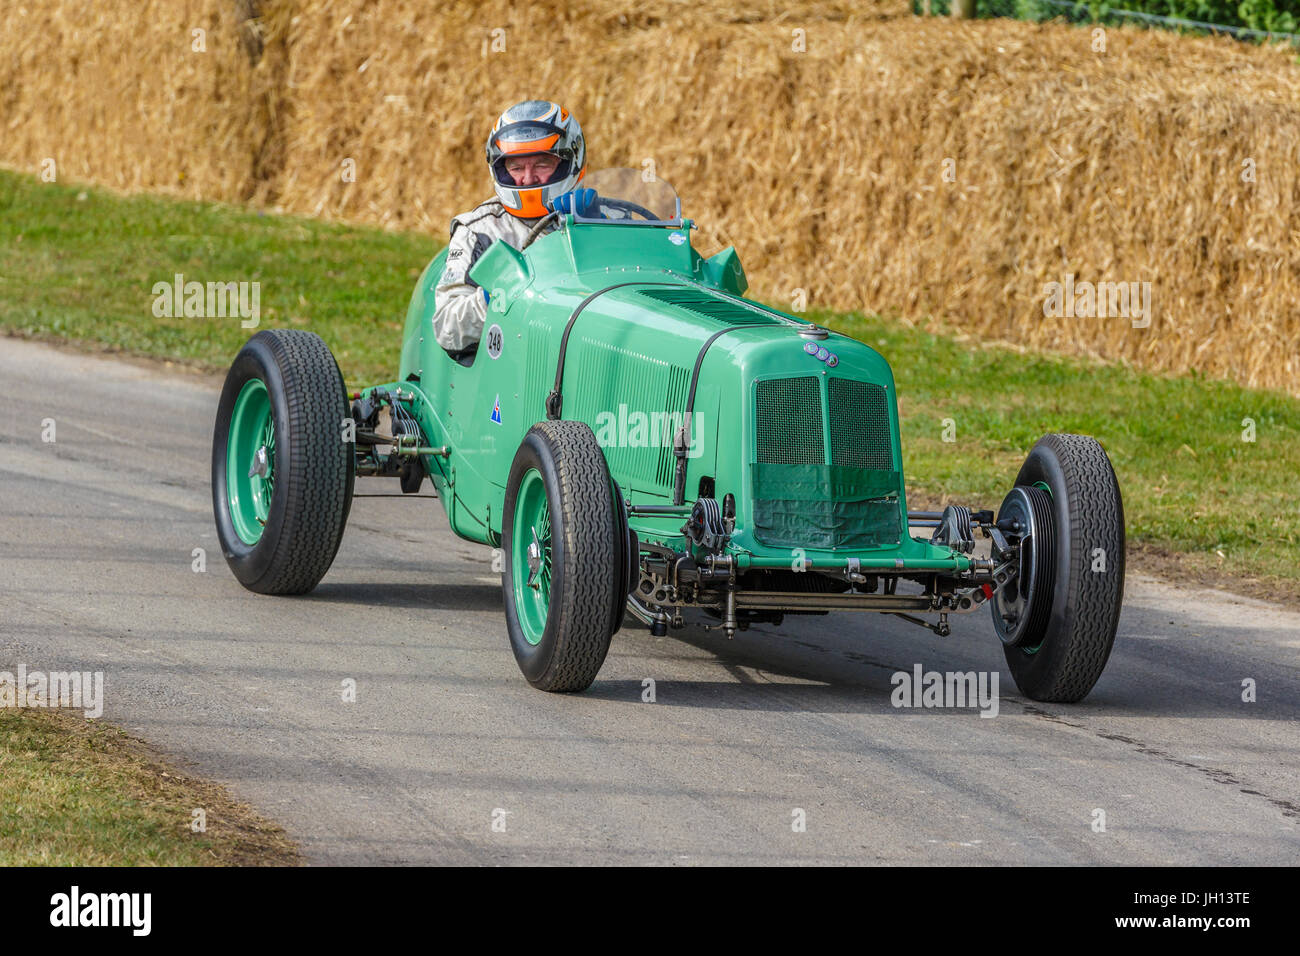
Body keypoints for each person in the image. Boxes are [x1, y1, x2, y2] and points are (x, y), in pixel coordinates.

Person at [432, 100, 597, 358]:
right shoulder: (479, 231)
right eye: (516, 167)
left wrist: (596, 231)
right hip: (515, 368)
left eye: (543, 164)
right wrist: (495, 294)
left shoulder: (605, 217)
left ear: (569, 161)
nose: (528, 178)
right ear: (500, 168)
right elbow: (447, 328)